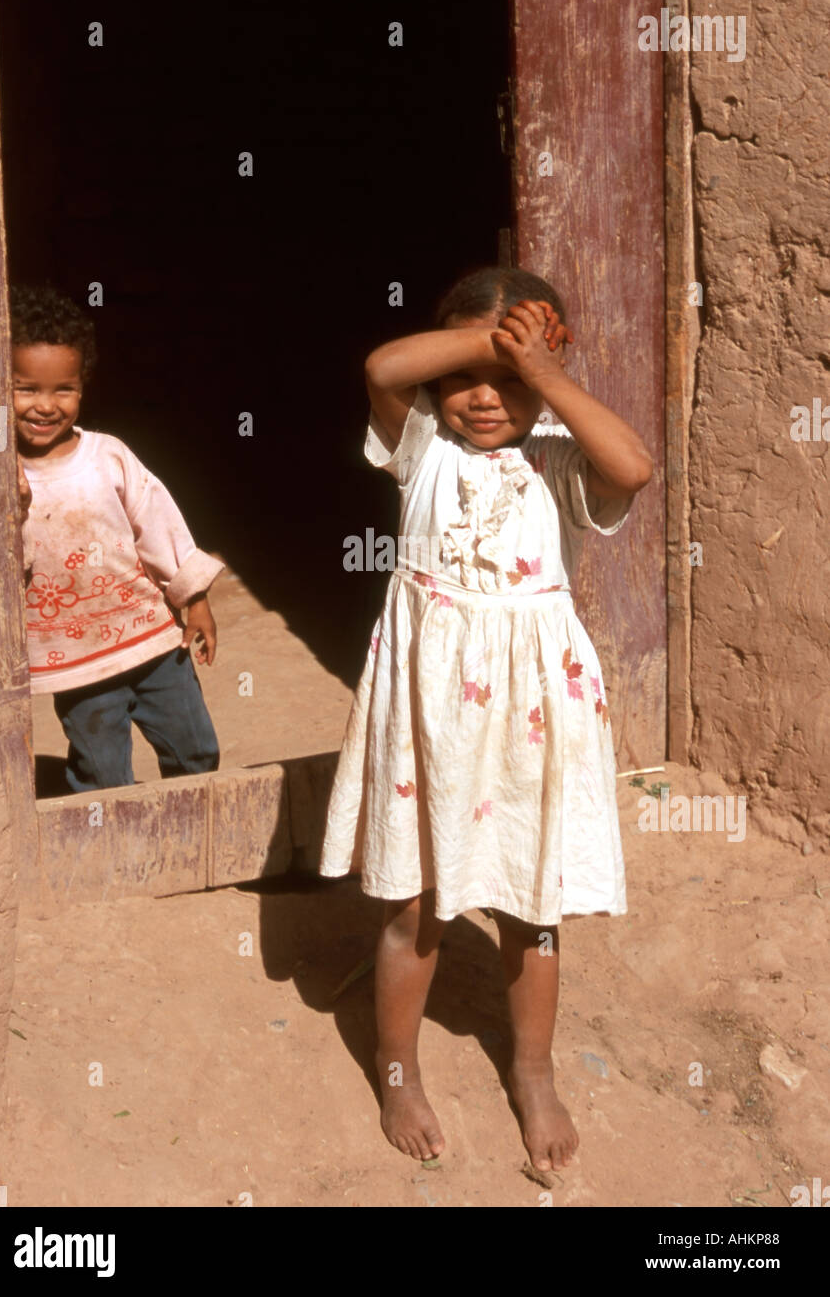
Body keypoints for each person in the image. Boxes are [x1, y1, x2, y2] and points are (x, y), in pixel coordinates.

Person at [319, 265, 654, 1174]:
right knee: (415, 897)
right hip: (429, 706)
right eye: (466, 370)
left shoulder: (557, 454)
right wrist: (499, 342)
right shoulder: (421, 444)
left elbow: (636, 467)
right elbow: (385, 366)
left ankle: (534, 1071)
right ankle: (398, 1069)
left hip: (532, 711)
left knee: (531, 903)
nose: (483, 395)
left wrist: (541, 373)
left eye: (506, 377)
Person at [12, 283, 223, 793]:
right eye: (25, 389)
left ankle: (191, 842)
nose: (46, 406)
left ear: (83, 386)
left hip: (152, 638)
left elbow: (158, 524)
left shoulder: (106, 455)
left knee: (195, 750)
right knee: (103, 774)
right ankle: (113, 866)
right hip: (74, 660)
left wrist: (194, 599)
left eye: (63, 389)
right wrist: (8, 508)